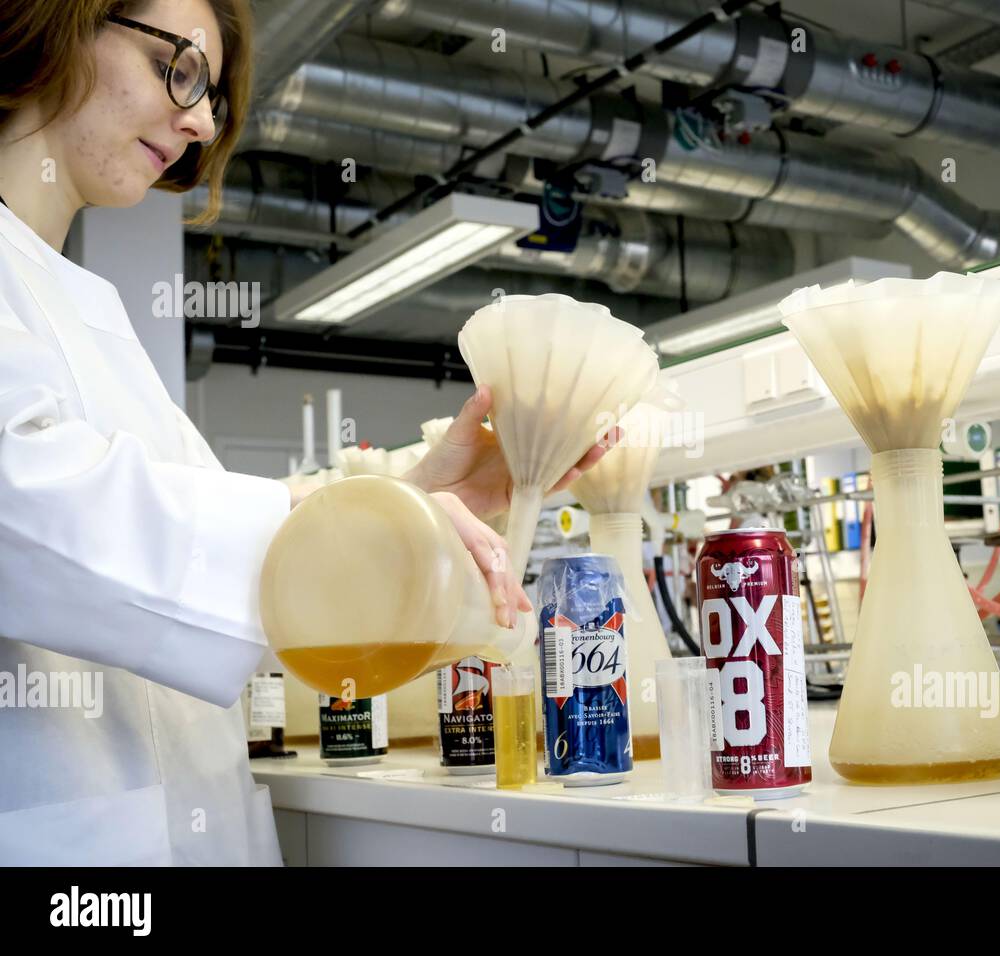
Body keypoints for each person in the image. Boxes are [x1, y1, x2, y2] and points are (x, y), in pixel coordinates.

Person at [0, 0, 612, 865]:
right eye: (182, 70)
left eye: (209, 94)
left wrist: (410, 505)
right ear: (68, 20)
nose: (203, 120)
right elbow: (31, 512)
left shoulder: (83, 310)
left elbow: (212, 552)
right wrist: (368, 528)